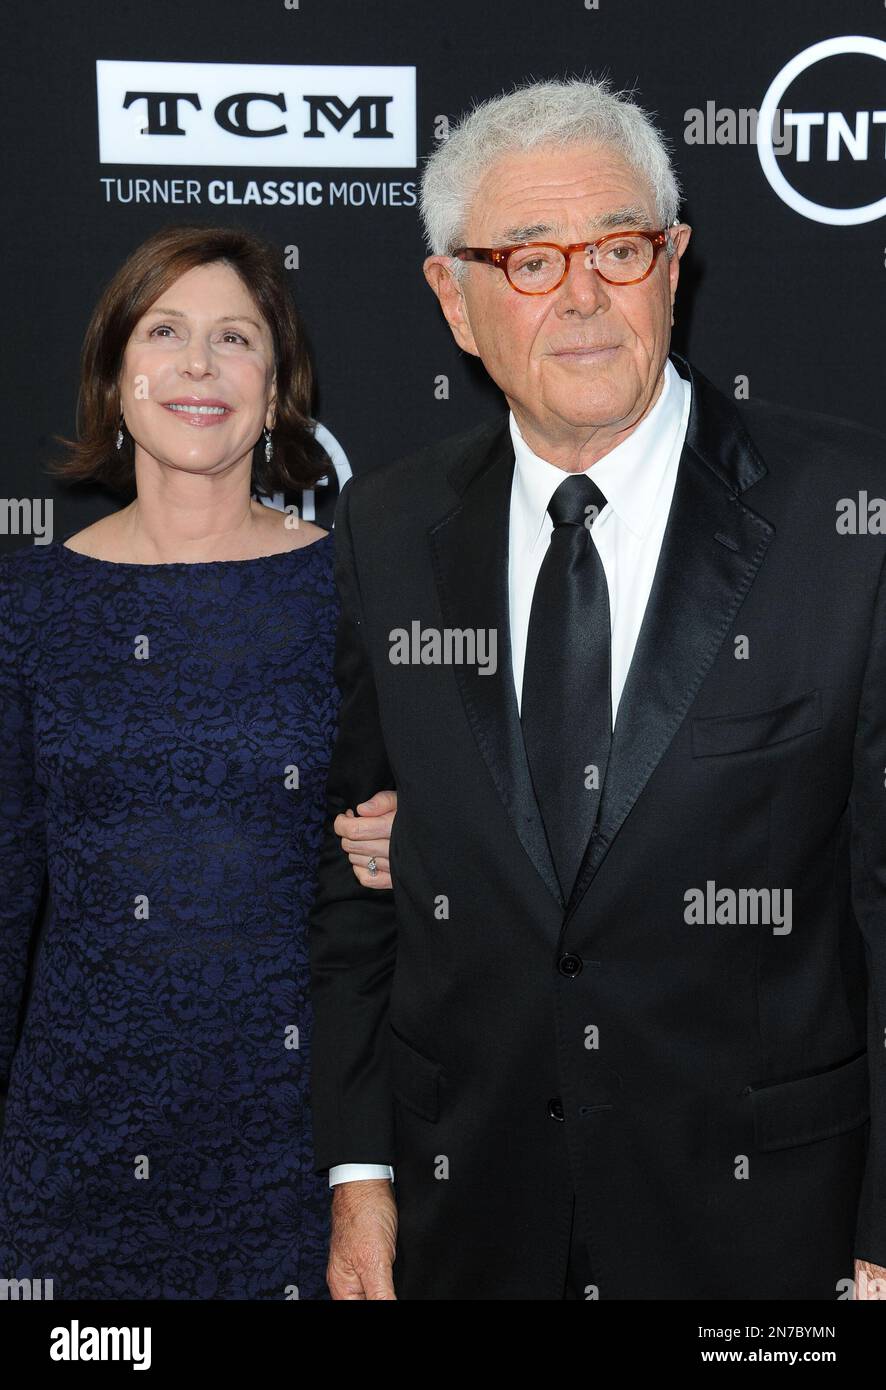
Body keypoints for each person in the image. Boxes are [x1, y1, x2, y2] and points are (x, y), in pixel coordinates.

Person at [311, 76, 886, 1300]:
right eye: (525, 258)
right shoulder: (388, 524)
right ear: (452, 300)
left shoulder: (847, 521)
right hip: (474, 1218)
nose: (579, 295)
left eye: (617, 248)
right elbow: (356, 876)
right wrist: (360, 1173)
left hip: (768, 1231)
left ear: (673, 264)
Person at [0, 223, 395, 1299]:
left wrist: (426, 834)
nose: (198, 365)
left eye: (236, 338)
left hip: (299, 1135)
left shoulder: (355, 593)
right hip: (70, 1148)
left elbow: (443, 837)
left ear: (276, 390)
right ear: (114, 372)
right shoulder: (30, 603)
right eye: (164, 330)